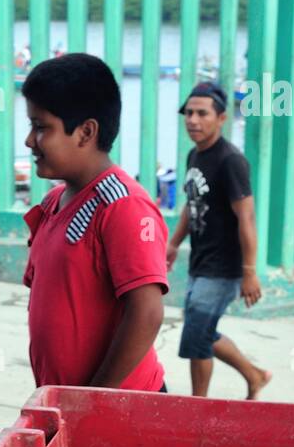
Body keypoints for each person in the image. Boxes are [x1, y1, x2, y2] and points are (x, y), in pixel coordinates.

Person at [22, 54, 168, 393]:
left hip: (122, 408)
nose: (30, 140)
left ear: (86, 132)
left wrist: (94, 398)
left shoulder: (122, 205)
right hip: (66, 403)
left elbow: (147, 312)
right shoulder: (52, 203)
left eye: (41, 127)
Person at [167, 82, 271, 400]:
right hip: (202, 260)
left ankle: (199, 405)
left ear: (222, 118)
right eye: (189, 113)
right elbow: (192, 203)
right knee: (203, 331)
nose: (193, 120)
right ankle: (255, 375)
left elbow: (247, 217)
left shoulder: (230, 161)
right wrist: (173, 244)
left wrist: (250, 271)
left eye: (202, 114)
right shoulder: (194, 155)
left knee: (196, 336)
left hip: (224, 267)